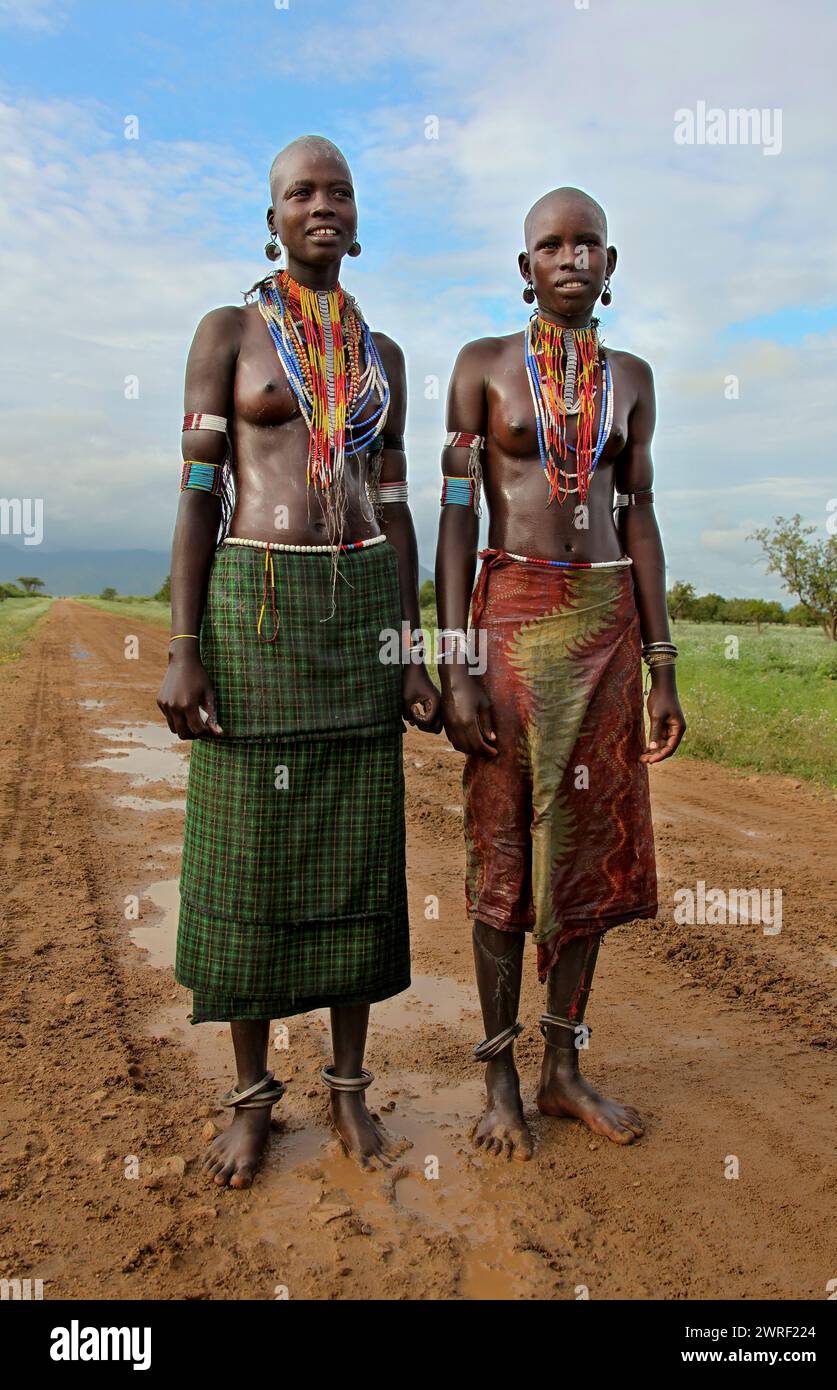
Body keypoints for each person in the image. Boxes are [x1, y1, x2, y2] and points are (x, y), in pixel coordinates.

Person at [157, 135, 440, 1186]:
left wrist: (412, 650)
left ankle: (350, 1089)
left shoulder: (386, 356)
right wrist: (185, 647)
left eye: (337, 192)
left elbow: (401, 505)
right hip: (255, 605)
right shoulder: (228, 332)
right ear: (269, 218)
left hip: (358, 599)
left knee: (356, 846)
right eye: (299, 192)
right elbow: (196, 495)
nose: (321, 205)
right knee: (249, 850)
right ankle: (249, 1101)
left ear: (356, 221)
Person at [435, 186, 685, 1160]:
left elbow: (640, 517)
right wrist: (451, 658)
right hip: (506, 620)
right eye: (551, 244)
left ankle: (560, 1067)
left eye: (587, 244)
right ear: (524, 267)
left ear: (609, 266)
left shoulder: (630, 377)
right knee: (502, 852)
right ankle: (497, 1074)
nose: (570, 257)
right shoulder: (482, 368)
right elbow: (457, 515)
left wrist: (661, 662)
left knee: (586, 854)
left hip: (605, 625)